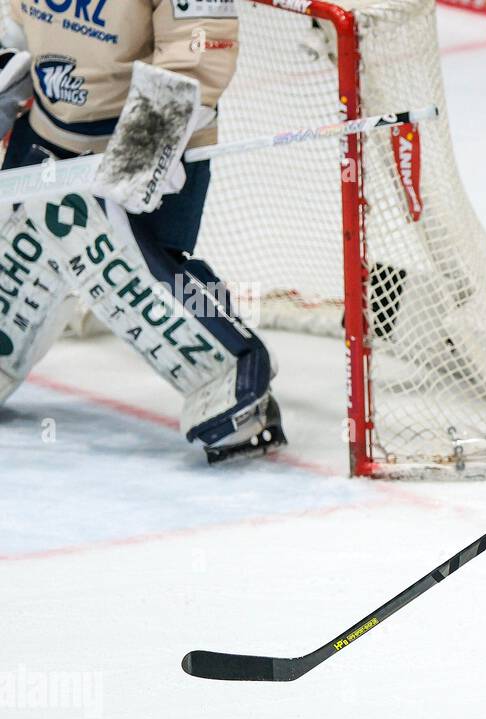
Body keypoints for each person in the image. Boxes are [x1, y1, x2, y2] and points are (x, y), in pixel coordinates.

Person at [0, 1, 285, 464]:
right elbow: (16, 22)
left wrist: (144, 152)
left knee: (132, 276)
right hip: (47, 131)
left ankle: (229, 383)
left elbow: (196, 51)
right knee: (17, 254)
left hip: (144, 145)